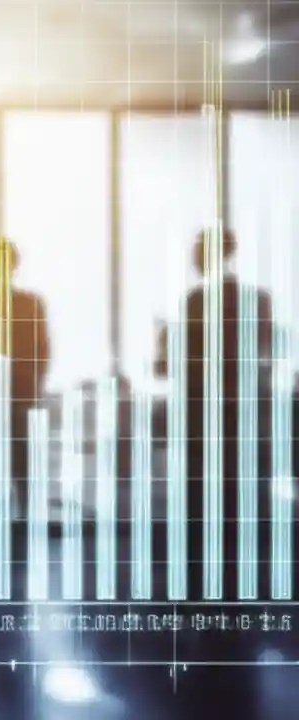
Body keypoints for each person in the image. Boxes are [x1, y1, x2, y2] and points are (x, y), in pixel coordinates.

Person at [175, 229, 272, 600]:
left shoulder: (197, 301)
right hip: (241, 407)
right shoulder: (257, 300)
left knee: (205, 493)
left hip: (208, 408)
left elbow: (189, 361)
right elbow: (260, 353)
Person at [0, 238, 49, 518]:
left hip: (3, 387)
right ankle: (16, 511)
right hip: (9, 387)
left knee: (6, 452)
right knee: (11, 452)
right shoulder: (27, 304)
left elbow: (41, 349)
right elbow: (42, 349)